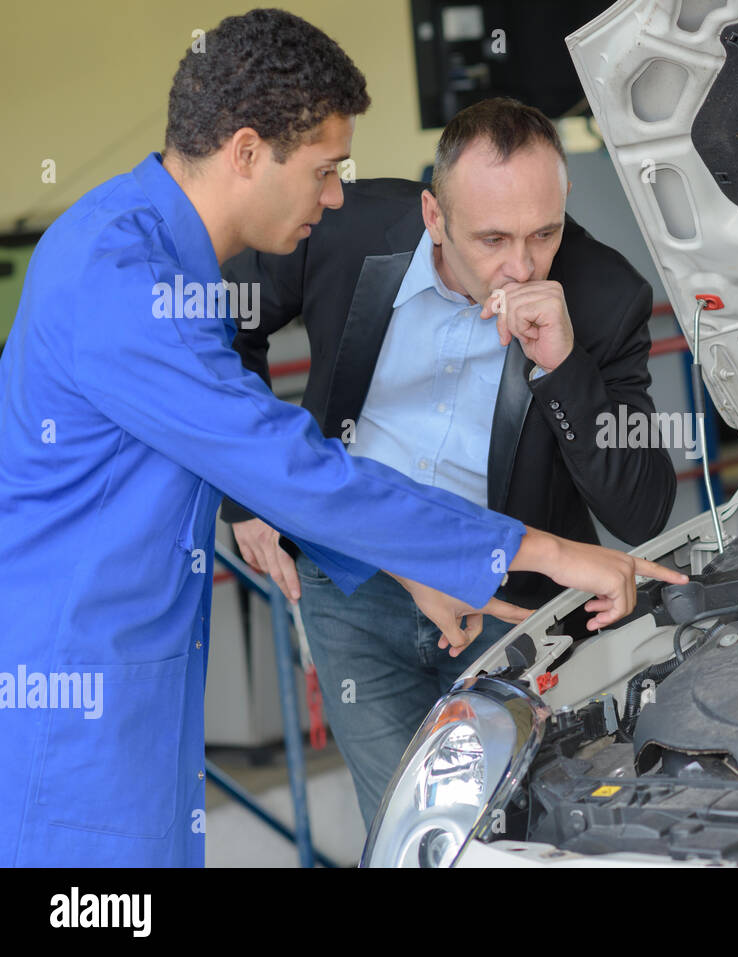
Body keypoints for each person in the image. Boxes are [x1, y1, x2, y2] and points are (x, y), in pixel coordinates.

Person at [0, 8, 684, 868]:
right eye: (324, 169)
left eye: (541, 234)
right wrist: (542, 548)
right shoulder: (122, 281)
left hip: (137, 682)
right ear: (247, 152)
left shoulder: (156, 258)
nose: (336, 194)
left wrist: (423, 555)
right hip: (75, 711)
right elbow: (289, 465)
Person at [221, 97, 677, 827]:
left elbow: (642, 506)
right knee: (409, 828)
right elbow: (222, 326)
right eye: (492, 238)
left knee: (522, 826)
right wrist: (245, 493)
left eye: (544, 233)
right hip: (353, 582)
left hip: (509, 607)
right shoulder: (341, 226)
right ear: (434, 216)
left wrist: (562, 365)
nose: (521, 265)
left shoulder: (605, 295)